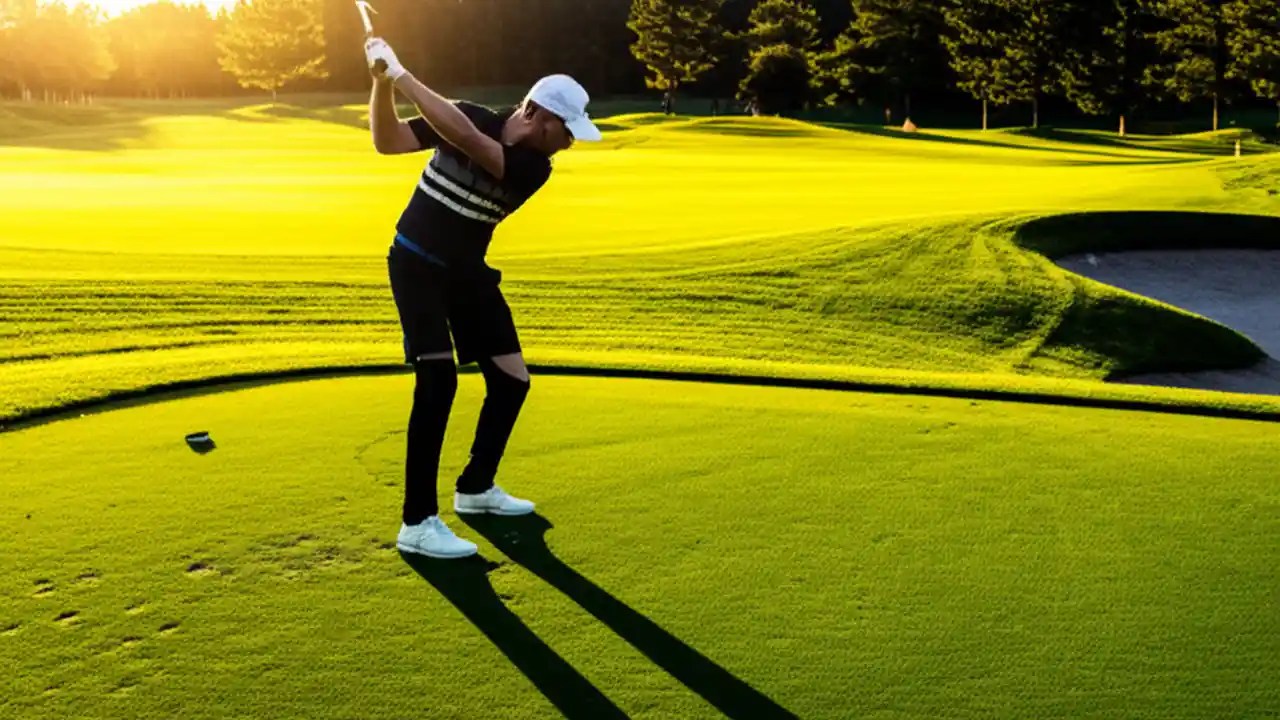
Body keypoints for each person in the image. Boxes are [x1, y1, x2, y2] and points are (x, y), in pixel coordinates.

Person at [363, 37, 602, 559]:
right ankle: (417, 520)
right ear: (537, 114)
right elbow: (388, 142)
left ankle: (475, 487)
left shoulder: (534, 168)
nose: (569, 143)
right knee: (438, 380)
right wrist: (381, 85)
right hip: (415, 263)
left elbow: (470, 140)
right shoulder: (470, 115)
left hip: (467, 274)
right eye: (566, 131)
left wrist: (402, 73)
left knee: (513, 380)